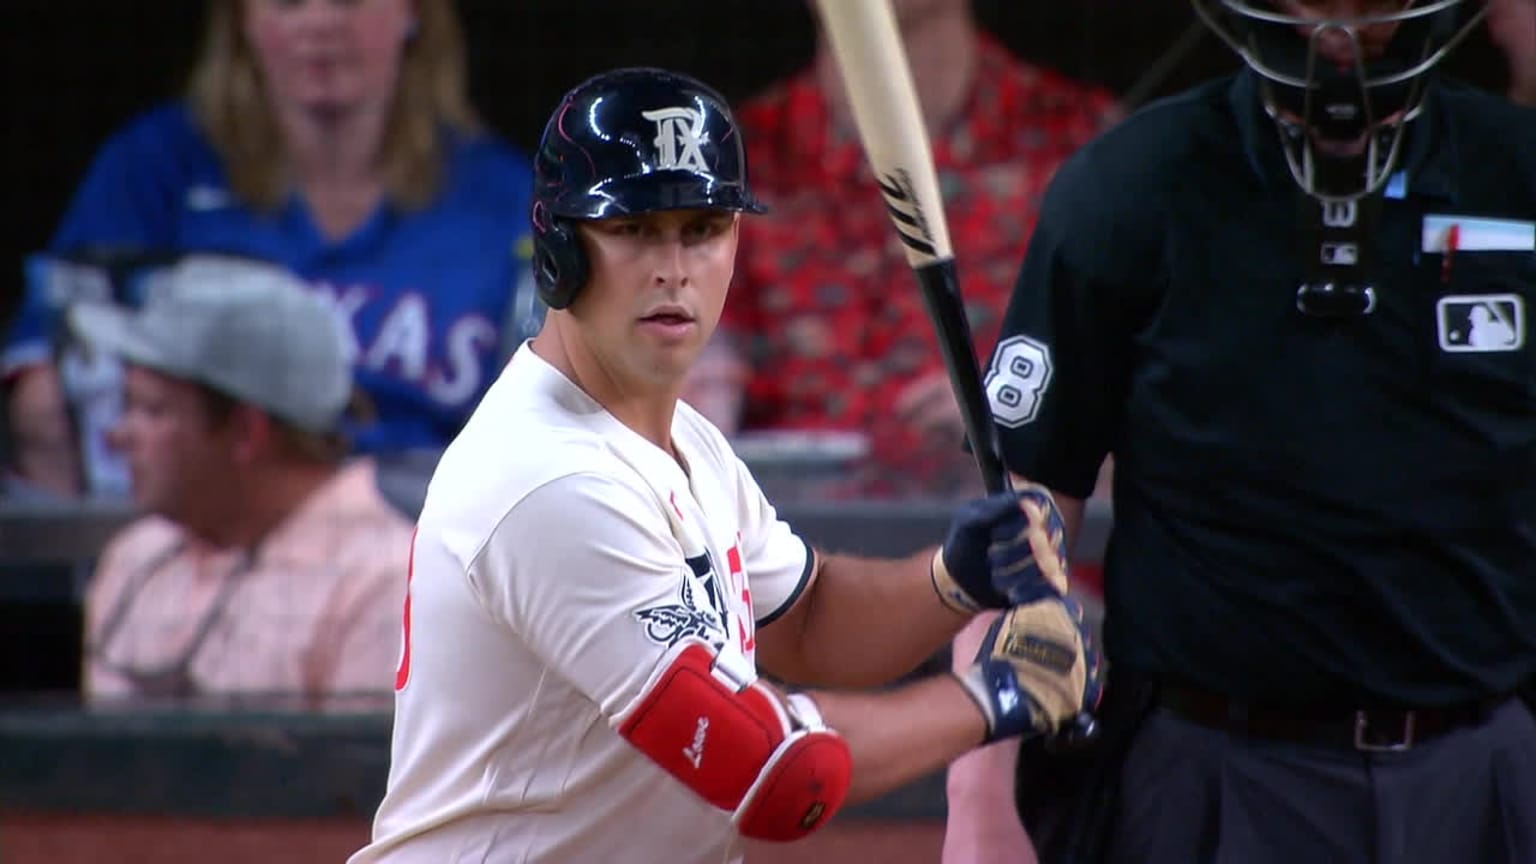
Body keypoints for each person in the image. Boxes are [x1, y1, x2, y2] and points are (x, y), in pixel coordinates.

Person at [348, 68, 1100, 864]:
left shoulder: (680, 439)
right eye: (635, 230)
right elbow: (772, 773)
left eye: (703, 228)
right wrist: (994, 697)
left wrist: (953, 580)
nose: (673, 267)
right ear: (559, 250)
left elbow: (808, 622)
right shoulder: (550, 481)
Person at [948, 1, 1536, 863]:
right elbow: (1027, 518)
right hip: (1208, 769)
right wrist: (980, 796)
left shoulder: (1515, 175)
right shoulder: (1135, 182)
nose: (1338, 33)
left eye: (1369, 2)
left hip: (1484, 767)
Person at [2, 0, 538, 500]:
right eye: (287, 1)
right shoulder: (155, 170)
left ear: (414, 12)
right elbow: (43, 378)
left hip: (425, 536)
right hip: (212, 525)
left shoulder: (506, 195)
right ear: (243, 20)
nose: (320, 22)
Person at [683, 0, 1117, 499]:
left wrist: (1031, 427)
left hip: (1022, 556)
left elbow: (1172, 430)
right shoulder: (728, 166)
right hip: (787, 557)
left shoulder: (1088, 152)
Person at [77, 254, 412, 699]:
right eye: (128, 405)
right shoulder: (135, 558)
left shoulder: (383, 579)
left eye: (153, 410)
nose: (117, 438)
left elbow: (355, 770)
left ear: (246, 432)